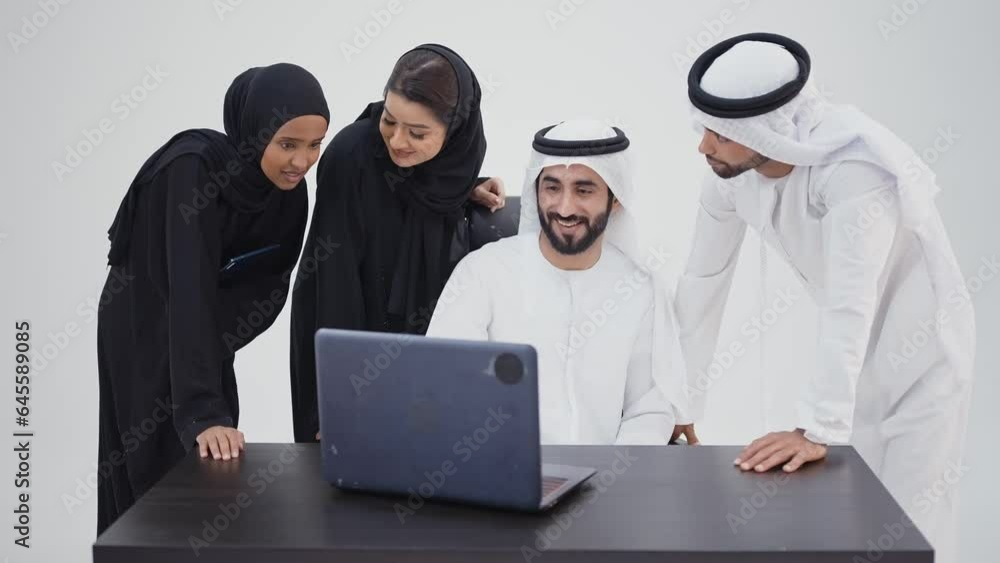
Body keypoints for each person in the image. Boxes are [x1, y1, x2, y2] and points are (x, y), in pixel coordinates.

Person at [674, 33, 974, 562]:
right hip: (854, 364)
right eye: (705, 129)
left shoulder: (854, 168)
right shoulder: (728, 177)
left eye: (720, 134)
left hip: (923, 360)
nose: (704, 146)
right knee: (854, 526)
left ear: (765, 130)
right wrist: (680, 403)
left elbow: (849, 301)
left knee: (911, 530)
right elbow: (703, 280)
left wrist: (818, 428)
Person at [96, 63, 329, 535]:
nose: (302, 162)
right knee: (148, 465)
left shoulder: (290, 195)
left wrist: (209, 363)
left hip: (205, 334)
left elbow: (268, 285)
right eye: (287, 144)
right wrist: (203, 411)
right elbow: (186, 284)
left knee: (211, 470)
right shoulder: (192, 168)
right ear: (255, 131)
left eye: (314, 145)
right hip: (143, 322)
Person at [289, 44, 505, 443]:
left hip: (425, 334)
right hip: (349, 324)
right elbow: (335, 282)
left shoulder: (458, 159)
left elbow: (429, 190)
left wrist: (464, 192)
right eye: (389, 120)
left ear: (455, 129)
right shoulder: (352, 156)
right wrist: (336, 401)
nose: (398, 141)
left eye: (418, 133)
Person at [427, 119, 686, 445]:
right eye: (552, 188)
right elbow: (445, 386)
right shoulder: (481, 273)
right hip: (499, 468)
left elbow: (648, 410)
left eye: (583, 190)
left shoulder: (640, 290)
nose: (565, 208)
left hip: (607, 473)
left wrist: (615, 472)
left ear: (615, 199)